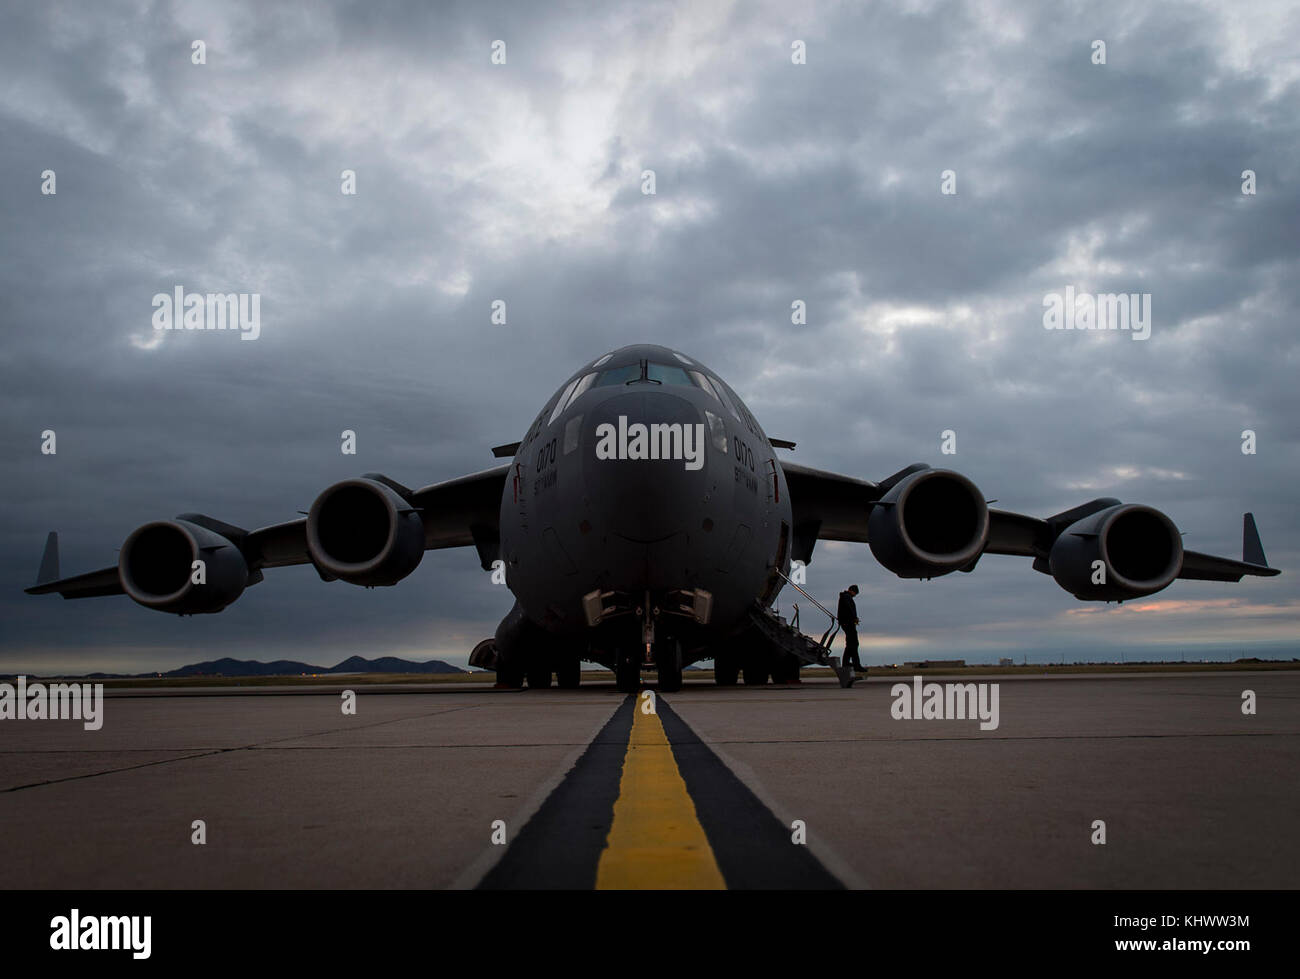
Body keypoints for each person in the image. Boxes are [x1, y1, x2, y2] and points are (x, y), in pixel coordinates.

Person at [837, 584, 864, 674]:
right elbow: (849, 609)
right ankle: (856, 665)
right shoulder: (846, 597)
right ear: (852, 591)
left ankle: (847, 663)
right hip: (848, 623)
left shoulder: (845, 597)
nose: (855, 595)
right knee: (854, 643)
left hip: (847, 623)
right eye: (855, 593)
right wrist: (854, 618)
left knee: (850, 643)